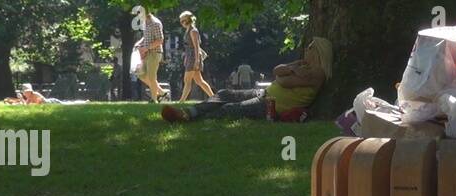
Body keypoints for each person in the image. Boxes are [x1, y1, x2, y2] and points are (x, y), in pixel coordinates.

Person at [161, 38, 332, 123]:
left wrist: (288, 72)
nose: (306, 51)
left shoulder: (317, 73)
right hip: (264, 94)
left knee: (230, 109)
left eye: (310, 48)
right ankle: (190, 112)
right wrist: (294, 66)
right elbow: (277, 71)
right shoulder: (302, 66)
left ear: (318, 52)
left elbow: (283, 82)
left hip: (271, 106)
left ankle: (189, 118)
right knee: (224, 93)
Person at [178, 11, 214, 102]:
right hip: (189, 56)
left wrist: (197, 61)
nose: (182, 23)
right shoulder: (188, 30)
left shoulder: (193, 31)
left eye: (183, 20)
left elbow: (196, 47)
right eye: (181, 21)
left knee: (187, 80)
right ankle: (214, 98)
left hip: (193, 56)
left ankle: (181, 101)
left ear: (188, 20)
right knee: (199, 81)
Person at [136, 9, 166, 103]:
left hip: (154, 53)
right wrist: (139, 44)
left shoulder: (156, 23)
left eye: (139, 14)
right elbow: (145, 37)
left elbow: (160, 40)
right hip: (146, 52)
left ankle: (154, 99)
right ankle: (161, 92)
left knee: (152, 77)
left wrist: (146, 48)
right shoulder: (145, 23)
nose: (138, 17)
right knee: (141, 74)